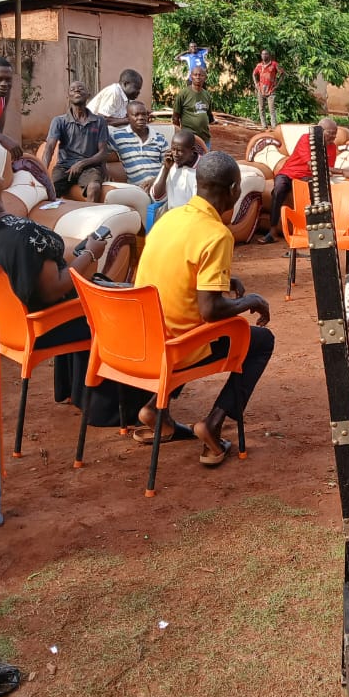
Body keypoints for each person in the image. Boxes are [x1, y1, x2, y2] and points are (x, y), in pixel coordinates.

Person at [0, 163, 129, 427]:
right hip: (42, 326)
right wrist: (91, 253)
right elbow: (55, 289)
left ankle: (74, 390)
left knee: (91, 295)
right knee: (113, 308)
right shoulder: (23, 236)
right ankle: (108, 408)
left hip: (5, 324)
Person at [133, 151, 274, 465]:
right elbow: (210, 310)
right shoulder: (217, 234)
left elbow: (176, 273)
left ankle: (157, 409)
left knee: (181, 316)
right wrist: (248, 301)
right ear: (235, 190)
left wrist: (226, 279)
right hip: (177, 349)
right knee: (261, 342)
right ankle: (213, 423)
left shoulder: (170, 217)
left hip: (143, 341)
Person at [256, 117, 349, 244]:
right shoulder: (306, 139)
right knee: (278, 189)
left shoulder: (332, 147)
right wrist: (342, 171)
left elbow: (326, 169)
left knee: (316, 192)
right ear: (320, 131)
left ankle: (314, 232)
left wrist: (339, 172)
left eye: (334, 134)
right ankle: (272, 231)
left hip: (308, 177)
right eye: (330, 133)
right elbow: (313, 163)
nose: (333, 137)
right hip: (289, 173)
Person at [41, 81, 110, 202]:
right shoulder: (59, 121)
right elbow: (49, 149)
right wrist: (42, 173)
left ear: (88, 95)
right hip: (64, 167)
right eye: (72, 89)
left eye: (80, 89)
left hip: (90, 167)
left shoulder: (99, 121)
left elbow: (103, 152)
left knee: (94, 188)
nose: (77, 90)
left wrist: (82, 164)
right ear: (68, 96)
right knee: (48, 191)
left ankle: (90, 219)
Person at [109, 100, 169, 190]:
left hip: (160, 184)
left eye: (144, 114)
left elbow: (168, 165)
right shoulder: (117, 136)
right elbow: (100, 153)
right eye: (136, 115)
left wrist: (155, 180)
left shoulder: (160, 138)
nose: (141, 118)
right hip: (137, 188)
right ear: (127, 117)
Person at [147, 130, 200, 229]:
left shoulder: (202, 169)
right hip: (172, 217)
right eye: (173, 149)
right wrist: (166, 170)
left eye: (180, 150)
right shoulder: (171, 164)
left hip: (193, 220)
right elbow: (156, 196)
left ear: (192, 150)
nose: (175, 154)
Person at [173, 65, 214, 147]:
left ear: (205, 77)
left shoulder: (207, 95)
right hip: (189, 138)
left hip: (205, 139)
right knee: (190, 159)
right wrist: (179, 135)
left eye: (201, 75)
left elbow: (209, 116)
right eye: (195, 75)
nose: (198, 77)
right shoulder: (183, 94)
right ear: (191, 77)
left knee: (205, 159)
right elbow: (175, 117)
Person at [252, 49, 283, 129]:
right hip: (261, 90)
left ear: (269, 55)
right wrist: (256, 84)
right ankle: (264, 126)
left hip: (271, 91)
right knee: (261, 109)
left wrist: (277, 85)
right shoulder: (259, 65)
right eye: (262, 54)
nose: (264, 56)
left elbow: (283, 74)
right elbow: (254, 74)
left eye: (266, 54)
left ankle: (274, 127)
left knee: (271, 109)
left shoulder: (274, 64)